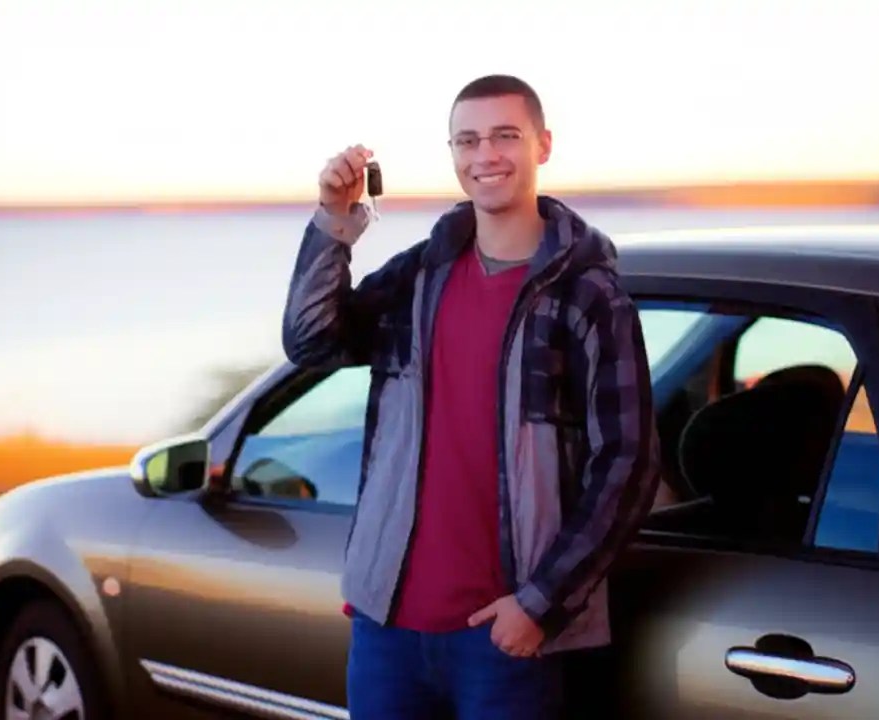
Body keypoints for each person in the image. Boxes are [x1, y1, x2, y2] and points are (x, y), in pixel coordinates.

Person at [281, 74, 662, 719]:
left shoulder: (588, 296)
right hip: (388, 632)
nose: (485, 155)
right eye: (468, 140)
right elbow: (310, 342)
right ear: (453, 154)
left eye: (505, 136)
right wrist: (335, 219)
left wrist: (541, 603)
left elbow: (628, 463)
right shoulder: (419, 276)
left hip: (507, 641)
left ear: (542, 145)